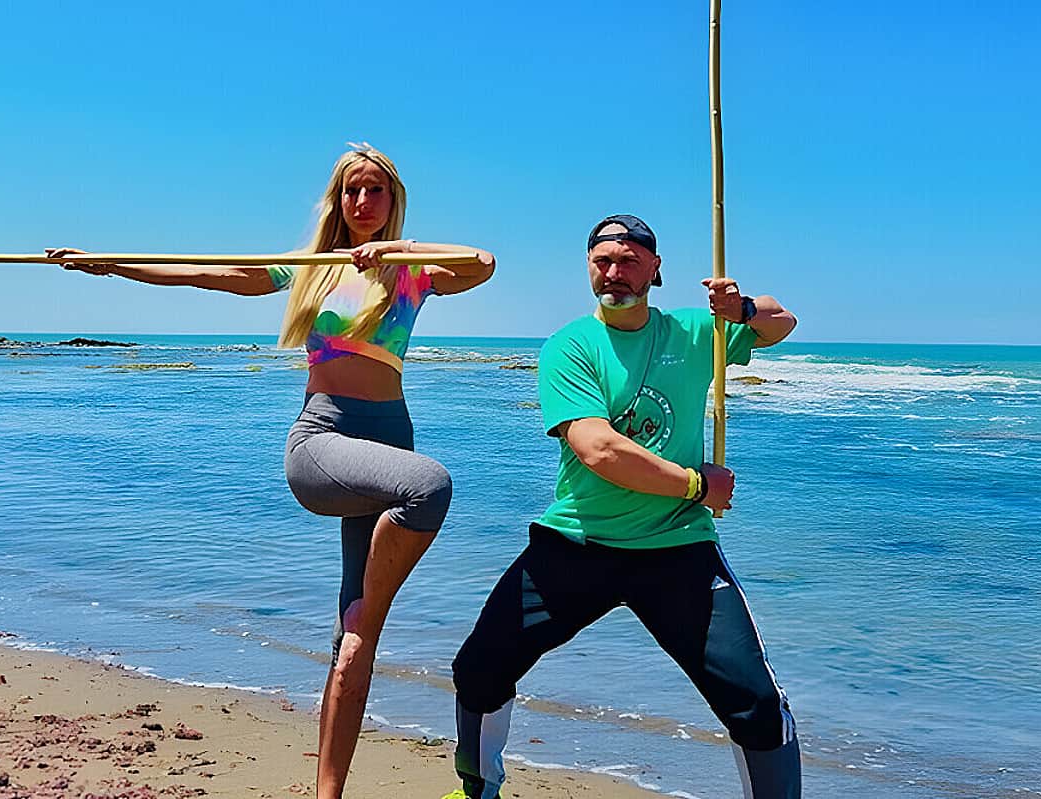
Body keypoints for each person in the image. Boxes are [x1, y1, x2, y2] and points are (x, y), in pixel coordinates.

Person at [47, 144, 496, 799]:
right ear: (338, 201)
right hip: (324, 443)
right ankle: (363, 616)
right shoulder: (310, 269)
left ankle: (327, 790)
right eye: (352, 191)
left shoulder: (413, 274)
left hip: (387, 443)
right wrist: (110, 265)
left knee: (355, 641)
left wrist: (399, 251)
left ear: (393, 201)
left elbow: (482, 263)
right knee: (429, 486)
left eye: (376, 191)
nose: (363, 203)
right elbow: (209, 274)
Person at [444, 215, 800, 799]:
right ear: (588, 268)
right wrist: (695, 484)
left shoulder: (694, 331)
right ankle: (477, 788)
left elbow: (783, 322)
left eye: (630, 259)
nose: (615, 271)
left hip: (676, 548)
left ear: (656, 269)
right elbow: (599, 449)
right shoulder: (570, 346)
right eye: (603, 260)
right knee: (479, 669)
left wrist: (742, 310)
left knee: (755, 704)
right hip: (578, 542)